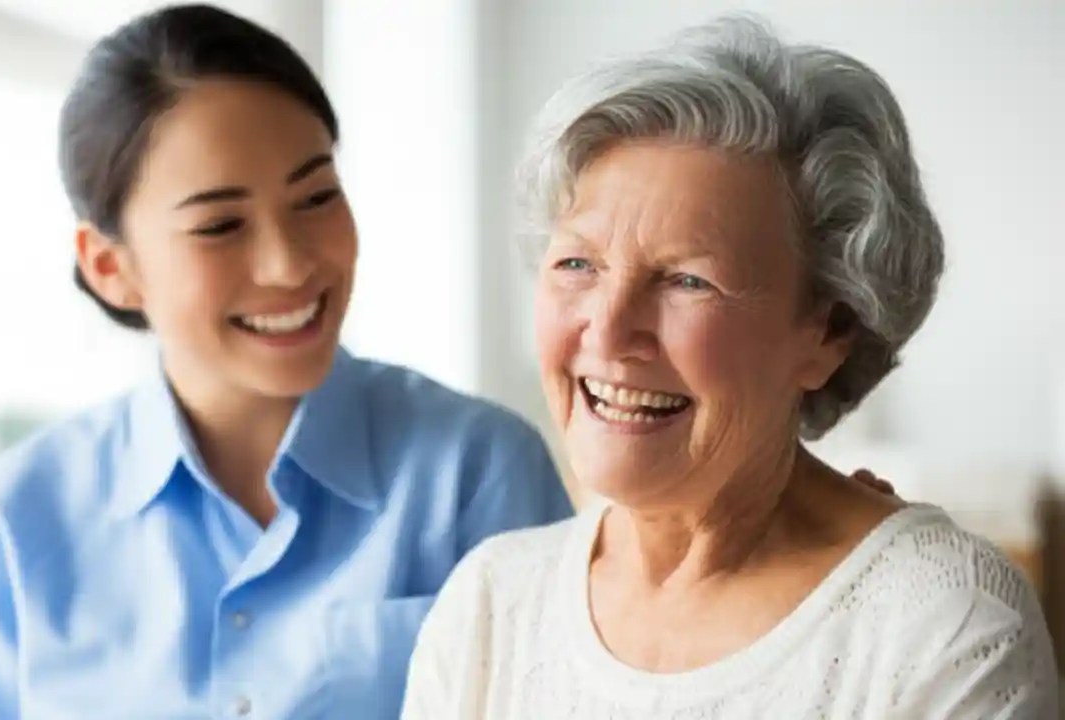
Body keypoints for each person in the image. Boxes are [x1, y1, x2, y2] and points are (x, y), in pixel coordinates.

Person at [0, 5, 573, 718]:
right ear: (111, 267)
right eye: (220, 225)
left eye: (317, 196)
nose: (290, 264)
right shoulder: (22, 516)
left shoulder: (476, 471)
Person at [403, 16, 1058, 719]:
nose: (612, 328)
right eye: (577, 264)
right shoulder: (490, 605)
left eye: (686, 280)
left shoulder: (941, 631)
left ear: (829, 329)